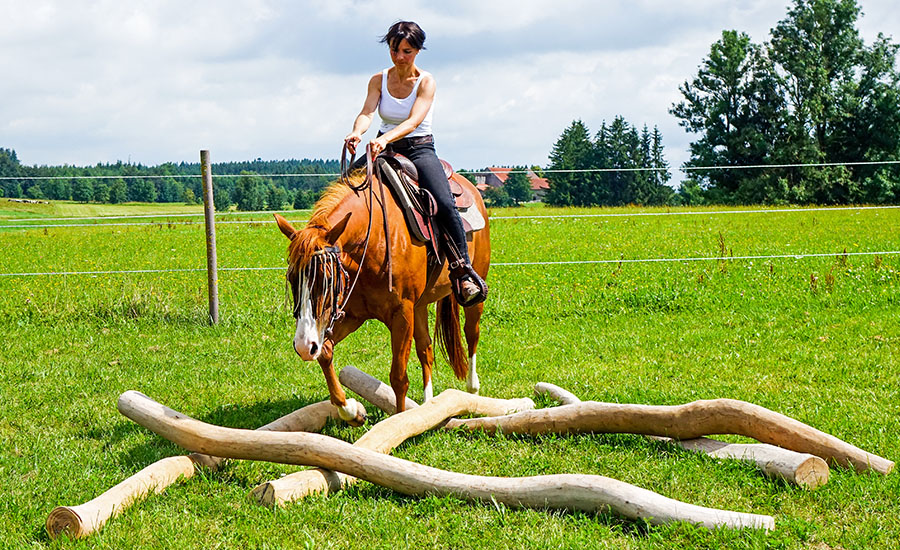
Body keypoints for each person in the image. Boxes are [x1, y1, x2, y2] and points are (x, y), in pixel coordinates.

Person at [344, 21, 485, 305]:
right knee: (345, 189)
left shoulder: (426, 82)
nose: (399, 57)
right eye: (394, 50)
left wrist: (386, 139)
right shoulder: (378, 80)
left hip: (419, 148)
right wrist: (357, 132)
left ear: (418, 51)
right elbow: (367, 112)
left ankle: (462, 270)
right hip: (383, 146)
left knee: (444, 202)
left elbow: (413, 121)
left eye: (406, 51)